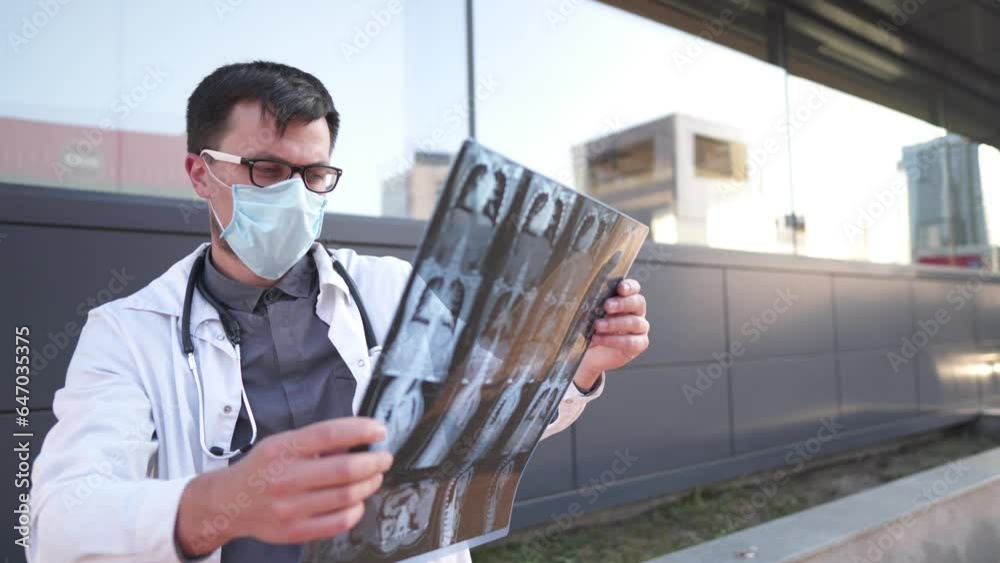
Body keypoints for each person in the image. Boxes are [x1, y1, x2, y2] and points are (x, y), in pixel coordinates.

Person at [27, 61, 651, 563]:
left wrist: (581, 363)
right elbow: (57, 525)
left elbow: (484, 419)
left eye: (315, 174)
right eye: (266, 169)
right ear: (200, 172)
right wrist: (216, 502)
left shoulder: (390, 289)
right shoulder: (128, 333)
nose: (295, 196)